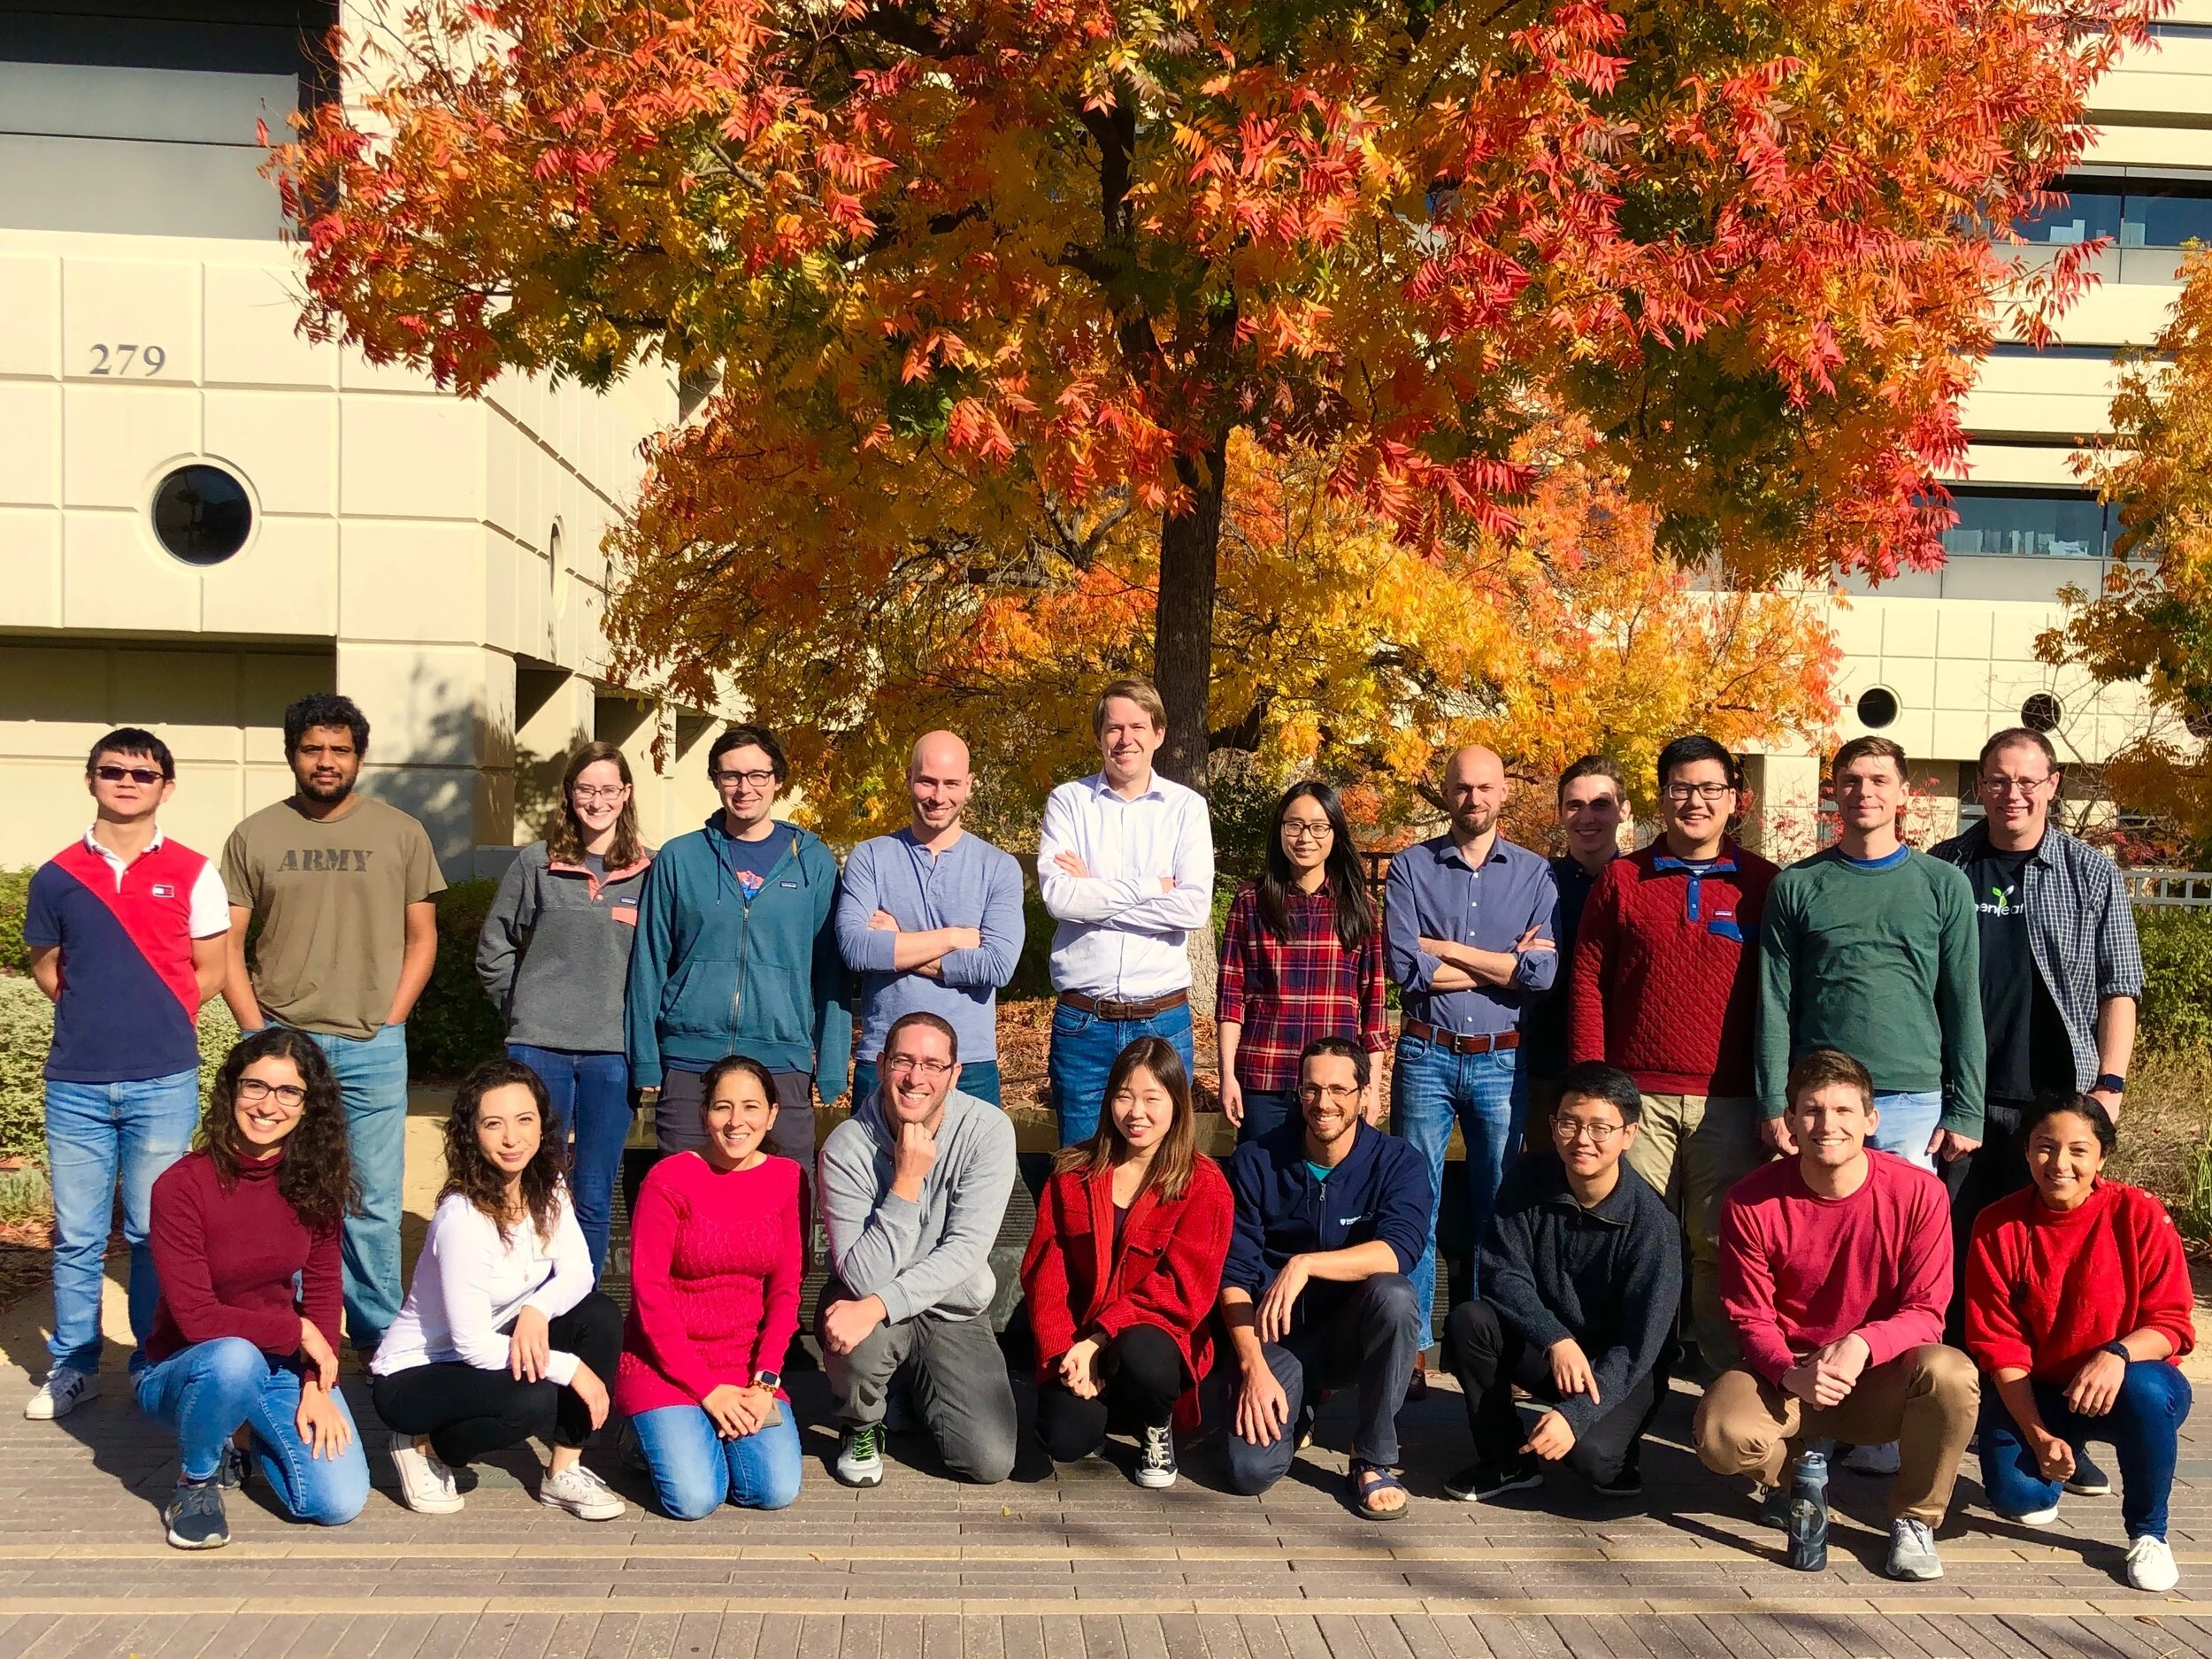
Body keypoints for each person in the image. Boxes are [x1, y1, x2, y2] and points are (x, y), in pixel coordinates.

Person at [1694, 1048, 1978, 1583]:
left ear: (1871, 1120)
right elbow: (1750, 1317)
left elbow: (1927, 1312)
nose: (1828, 1125)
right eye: (1812, 1110)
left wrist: (1863, 1343)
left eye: (1844, 1110)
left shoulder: (1921, 1193)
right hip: (1788, 1376)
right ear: (1790, 1120)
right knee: (1720, 1433)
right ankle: (1796, 1484)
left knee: (1951, 1373)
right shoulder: (1749, 1201)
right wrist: (1789, 1371)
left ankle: (1915, 1519)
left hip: (1878, 1377)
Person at [219, 692, 444, 1359]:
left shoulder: (401, 832)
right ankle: (286, 1335)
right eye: (312, 749)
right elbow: (227, 945)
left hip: (373, 1044)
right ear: (292, 755)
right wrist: (257, 1034)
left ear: (359, 757)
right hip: (284, 1044)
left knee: (371, 1203)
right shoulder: (255, 834)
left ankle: (379, 1339)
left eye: (339, 749)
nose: (326, 761)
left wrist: (392, 1018)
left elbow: (423, 938)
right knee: (282, 1196)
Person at [23, 728, 230, 1420]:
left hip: (163, 1080)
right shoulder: (56, 875)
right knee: (78, 1237)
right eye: (113, 770)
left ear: (167, 787)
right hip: (75, 1083)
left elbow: (211, 969)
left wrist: (155, 1019)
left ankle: (153, 1358)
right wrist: (100, 1016)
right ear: (91, 779)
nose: (128, 782)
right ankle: (74, 1365)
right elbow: (49, 967)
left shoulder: (196, 871)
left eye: (144, 774)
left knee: (151, 1231)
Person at [1570, 735, 1778, 1371]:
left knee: (1722, 1246)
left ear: (1734, 799)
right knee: (1633, 1240)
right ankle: (1629, 1378)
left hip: (1730, 1101)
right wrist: (1594, 1088)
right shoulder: (1623, 879)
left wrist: (1777, 1096)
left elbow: (1782, 995)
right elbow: (1587, 980)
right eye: (1681, 788)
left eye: (1711, 788)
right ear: (1662, 798)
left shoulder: (1763, 884)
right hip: (1636, 1098)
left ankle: (1727, 1383)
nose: (1696, 801)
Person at [1932, 729, 2143, 1330]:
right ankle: (1958, 1377)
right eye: (1998, 780)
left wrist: (2110, 1085)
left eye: (2027, 780)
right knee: (1955, 1250)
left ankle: (2034, 1379)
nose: (2013, 793)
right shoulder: (1943, 867)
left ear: (2052, 784)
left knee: (2047, 1258)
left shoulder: (2091, 873)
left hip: (2057, 1103)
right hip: (1960, 1099)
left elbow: (2120, 986)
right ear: (1979, 786)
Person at [134, 1030, 369, 1548]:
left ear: (309, 1105)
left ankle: (246, 1431)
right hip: (192, 1365)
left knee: (338, 1502)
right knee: (235, 1359)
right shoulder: (181, 1185)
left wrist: (316, 1385)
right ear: (231, 1090)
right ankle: (195, 1482)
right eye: (255, 1086)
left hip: (279, 1363)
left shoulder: (314, 1179)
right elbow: (197, 1318)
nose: (268, 1105)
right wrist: (297, 1331)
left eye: (289, 1092)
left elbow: (324, 1286)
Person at [370, 1058, 627, 1522]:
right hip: (418, 1374)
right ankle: (423, 1446)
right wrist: (570, 1369)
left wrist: (537, 1309)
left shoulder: (547, 1186)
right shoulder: (463, 1218)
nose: (512, 1138)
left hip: (497, 1340)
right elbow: (471, 1344)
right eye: (494, 1124)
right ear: (472, 1133)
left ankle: (564, 1471)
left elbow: (579, 1273)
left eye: (524, 1120)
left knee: (599, 1315)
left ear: (542, 1124)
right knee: (533, 1399)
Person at [1963, 1096, 2193, 1594]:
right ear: (2027, 1151)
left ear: (2102, 1157)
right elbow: (2000, 1346)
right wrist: (2039, 1436)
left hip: (2125, 1384)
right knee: (2022, 1500)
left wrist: (2118, 1353)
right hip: (2041, 1389)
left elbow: (2172, 1321)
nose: (2060, 1163)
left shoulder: (2139, 1213)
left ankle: (2149, 1532)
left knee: (2147, 1391)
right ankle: (2067, 1452)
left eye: (2078, 1150)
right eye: (2045, 1147)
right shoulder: (1997, 1224)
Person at [1383, 744, 1559, 1365]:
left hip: (1501, 1060)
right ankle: (1412, 1349)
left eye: (1485, 787)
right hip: (1425, 1054)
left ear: (1503, 791)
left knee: (1499, 1205)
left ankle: (1487, 1349)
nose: (1473, 798)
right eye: (1462, 787)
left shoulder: (1536, 875)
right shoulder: (1410, 867)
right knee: (1415, 1201)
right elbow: (1406, 968)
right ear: (1446, 792)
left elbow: (1539, 975)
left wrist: (1446, 949)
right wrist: (1502, 965)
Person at [1441, 1061, 1679, 1503]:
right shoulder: (1529, 1176)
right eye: (1569, 1123)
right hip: (1553, 1352)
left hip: (1622, 1367)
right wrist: (1555, 1339)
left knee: (1592, 1460)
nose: (1582, 1139)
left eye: (1600, 1128)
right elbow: (1501, 1272)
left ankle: (1618, 1453)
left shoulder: (1653, 1225)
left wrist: (1576, 1416)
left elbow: (1640, 1344)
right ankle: (1506, 1460)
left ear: (1629, 1134)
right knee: (1471, 1320)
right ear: (1553, 1126)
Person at [626, 723, 849, 1184]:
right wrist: (645, 1055)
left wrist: (830, 1067)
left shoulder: (813, 862)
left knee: (787, 1198)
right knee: (684, 1198)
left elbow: (831, 972)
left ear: (777, 779)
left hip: (781, 1060)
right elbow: (649, 961)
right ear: (715, 780)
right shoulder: (679, 858)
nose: (744, 788)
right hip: (691, 1061)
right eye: (731, 775)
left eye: (757, 775)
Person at [1218, 1037, 1432, 1518]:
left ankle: (1371, 1457)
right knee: (1249, 1471)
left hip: (1351, 1336)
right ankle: (1301, 1405)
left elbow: (1398, 1251)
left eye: (1338, 1090)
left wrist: (1306, 1263)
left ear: (1363, 1093)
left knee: (1395, 1296)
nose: (1323, 1102)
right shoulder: (1256, 1161)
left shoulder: (1398, 1162)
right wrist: (1252, 1367)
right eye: (1312, 1089)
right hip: (1275, 1338)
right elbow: (1233, 1275)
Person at [1757, 734, 1984, 1179]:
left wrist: (1968, 1108)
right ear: (1834, 791)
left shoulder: (1943, 884)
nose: (1864, 792)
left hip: (1911, 1099)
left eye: (1879, 780)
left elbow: (1963, 1001)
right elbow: (1774, 1002)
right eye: (1851, 780)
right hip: (1819, 1096)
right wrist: (1771, 1101)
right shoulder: (1795, 885)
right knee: (1820, 1218)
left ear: (1903, 792)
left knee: (1903, 1218)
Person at [1020, 1037, 1234, 1488]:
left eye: (1152, 1098)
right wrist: (1065, 1352)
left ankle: (1156, 1422)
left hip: (1152, 1342)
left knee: (1143, 1352)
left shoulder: (1204, 1184)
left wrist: (1101, 1338)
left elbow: (1182, 1292)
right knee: (1063, 1440)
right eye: (1124, 1096)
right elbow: (1045, 1275)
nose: (1136, 1112)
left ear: (1177, 1104)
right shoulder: (1072, 1174)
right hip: (1079, 1342)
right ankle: (1103, 1410)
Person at [817, 1011, 1019, 1487]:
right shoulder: (846, 1147)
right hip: (868, 1298)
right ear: (881, 1065)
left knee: (989, 1462)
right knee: (856, 1332)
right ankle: (861, 1424)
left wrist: (880, 1304)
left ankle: (912, 1389)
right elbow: (861, 1278)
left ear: (954, 1074)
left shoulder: (988, 1130)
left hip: (951, 1306)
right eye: (903, 1061)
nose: (916, 1077)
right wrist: (906, 1182)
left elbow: (966, 1250)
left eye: (933, 1065)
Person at [477, 740, 654, 1279]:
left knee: (595, 1192)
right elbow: (495, 947)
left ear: (626, 793)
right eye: (585, 789)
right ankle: (528, 1292)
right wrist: (520, 1011)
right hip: (539, 1050)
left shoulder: (650, 869)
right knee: (535, 1180)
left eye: (608, 789)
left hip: (612, 1055)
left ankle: (580, 1302)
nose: (597, 801)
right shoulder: (536, 863)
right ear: (569, 794)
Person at [618, 1055, 804, 1517]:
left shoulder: (787, 1178)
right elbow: (649, 1295)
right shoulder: (669, 1179)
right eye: (723, 1107)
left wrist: (764, 1381)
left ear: (772, 1114)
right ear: (705, 1115)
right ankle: (642, 1437)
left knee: (774, 1490)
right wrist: (707, 1391)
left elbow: (785, 1291)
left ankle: (693, 1435)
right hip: (665, 1364)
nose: (737, 1121)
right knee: (695, 1499)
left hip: (744, 1366)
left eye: (750, 1107)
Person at [1039, 679, 1216, 1145]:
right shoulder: (1068, 802)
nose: (1125, 739)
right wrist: (1151, 888)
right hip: (1084, 1023)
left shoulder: (1186, 808)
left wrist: (1092, 895)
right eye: (1114, 728)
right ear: (1099, 736)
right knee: (1080, 1164)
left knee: (1162, 1164)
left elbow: (1193, 908)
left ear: (1159, 734)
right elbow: (1060, 899)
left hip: (1162, 1020)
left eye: (1138, 726)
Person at [836, 731, 1025, 1108]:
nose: (939, 796)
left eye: (951, 783)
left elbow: (996, 966)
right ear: (909, 779)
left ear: (969, 785)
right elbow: (856, 949)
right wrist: (953, 937)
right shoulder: (871, 857)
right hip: (886, 1058)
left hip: (968, 1062)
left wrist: (897, 944)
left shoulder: (999, 867)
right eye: (927, 781)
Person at [1217, 780, 1386, 1145]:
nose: (1305, 837)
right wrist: (1227, 1075)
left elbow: (1374, 1004)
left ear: (1335, 833)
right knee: (1262, 1174)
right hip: (1265, 1076)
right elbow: (1230, 999)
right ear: (1280, 830)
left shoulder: (1360, 907)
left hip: (1336, 1083)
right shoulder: (1251, 901)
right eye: (1294, 825)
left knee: (1332, 1177)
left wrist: (1370, 1085)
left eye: (1318, 827)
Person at [1520, 756, 1624, 1109]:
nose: (1587, 817)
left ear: (1624, 810)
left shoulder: (1641, 886)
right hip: (1543, 1061)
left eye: (1600, 804)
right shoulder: (1534, 884)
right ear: (1561, 812)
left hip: (1623, 1063)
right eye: (1575, 805)